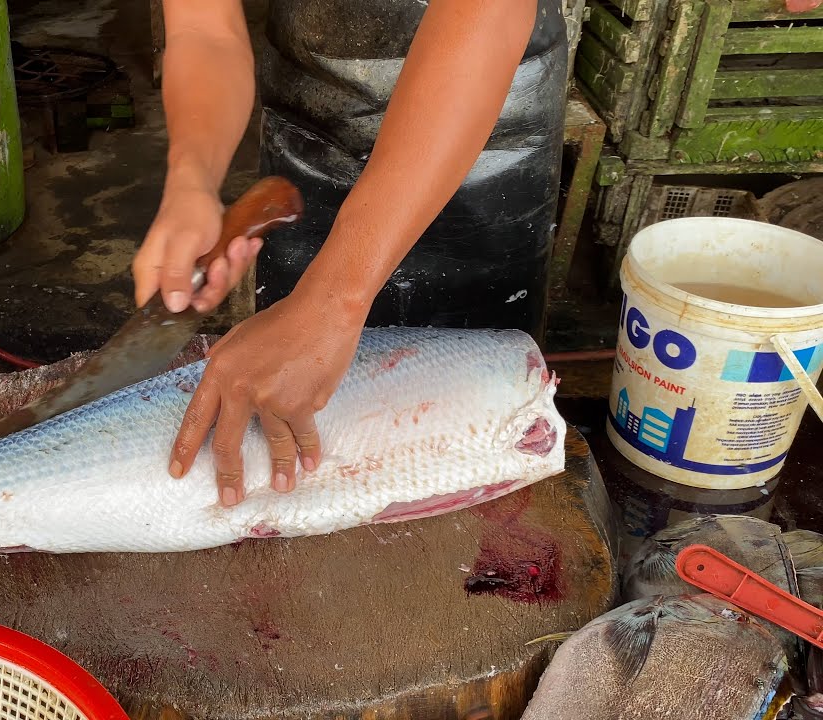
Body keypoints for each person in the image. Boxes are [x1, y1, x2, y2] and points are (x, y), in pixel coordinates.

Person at [132, 0, 568, 507]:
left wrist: (334, 296)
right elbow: (205, 29)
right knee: (301, 465)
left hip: (480, 135)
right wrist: (191, 181)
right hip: (311, 127)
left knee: (478, 464)